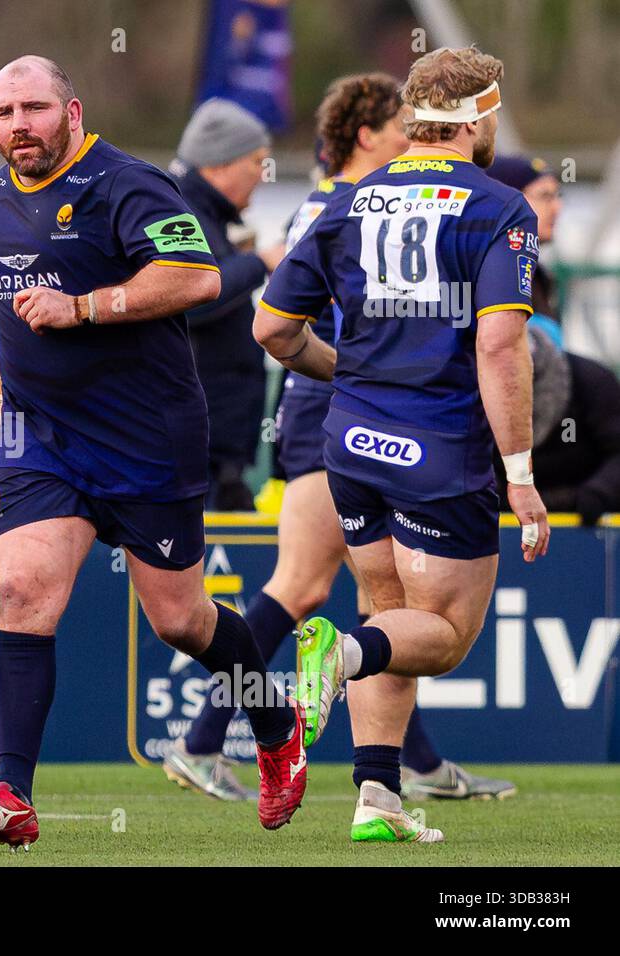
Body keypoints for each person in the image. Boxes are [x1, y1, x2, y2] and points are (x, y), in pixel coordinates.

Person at [0, 55, 307, 852]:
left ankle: (275, 728)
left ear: (72, 112)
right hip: (41, 441)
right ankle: (12, 794)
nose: (17, 126)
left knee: (180, 620)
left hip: (147, 437)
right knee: (23, 590)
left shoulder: (127, 182)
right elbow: (6, 313)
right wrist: (0, 396)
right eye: (3, 113)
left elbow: (199, 278)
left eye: (34, 108)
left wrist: (86, 306)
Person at [165, 73, 515, 803]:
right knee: (310, 589)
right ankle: (204, 740)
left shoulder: (353, 199)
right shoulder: (342, 200)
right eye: (395, 123)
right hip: (339, 413)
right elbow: (282, 318)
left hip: (343, 418)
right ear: (368, 133)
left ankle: (398, 773)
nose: (407, 135)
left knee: (369, 600)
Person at [254, 46, 549, 844]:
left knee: (390, 615)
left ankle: (377, 795)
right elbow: (499, 349)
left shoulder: (346, 200)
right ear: (479, 116)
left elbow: (273, 328)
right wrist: (520, 475)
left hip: (347, 442)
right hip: (439, 448)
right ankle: (336, 654)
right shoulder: (498, 208)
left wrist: (343, 367)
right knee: (442, 637)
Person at [168, 99, 284, 509]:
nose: (262, 176)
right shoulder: (176, 209)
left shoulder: (204, 215)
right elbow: (188, 298)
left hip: (215, 454)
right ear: (219, 165)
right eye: (257, 162)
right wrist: (258, 262)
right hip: (193, 453)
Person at [496, 326, 620, 525]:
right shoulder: (476, 387)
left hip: (587, 520)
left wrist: (598, 493)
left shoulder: (592, 381)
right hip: (506, 518)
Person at [486, 154, 563, 346]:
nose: (557, 208)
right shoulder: (491, 273)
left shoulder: (539, 276)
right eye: (545, 196)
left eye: (558, 196)